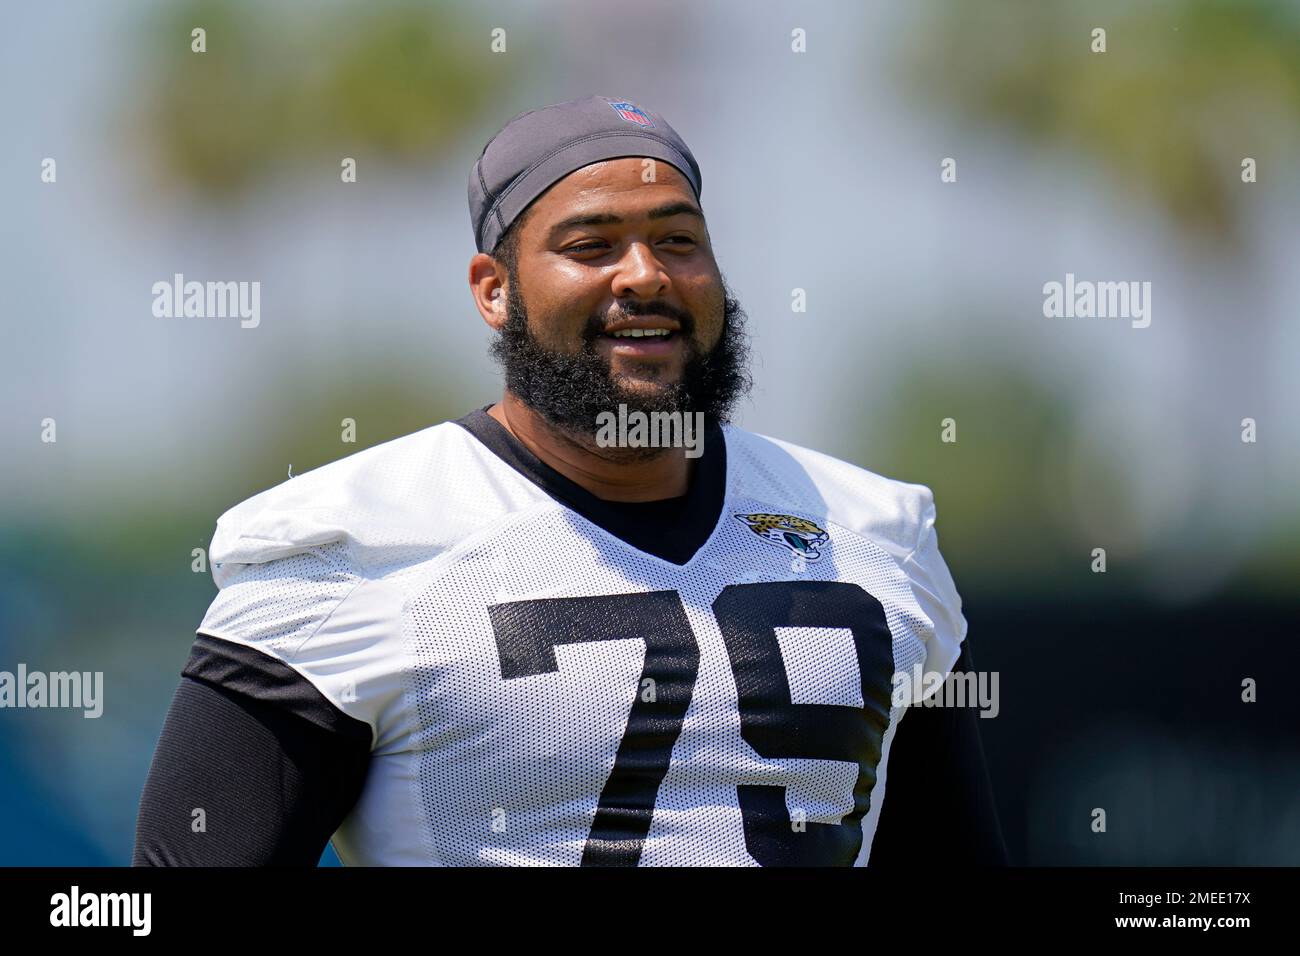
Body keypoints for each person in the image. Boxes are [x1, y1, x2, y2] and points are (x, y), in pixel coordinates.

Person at [133, 95, 1008, 866]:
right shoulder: (345, 551)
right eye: (592, 245)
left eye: (678, 240)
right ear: (494, 290)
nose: (646, 275)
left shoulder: (875, 536)